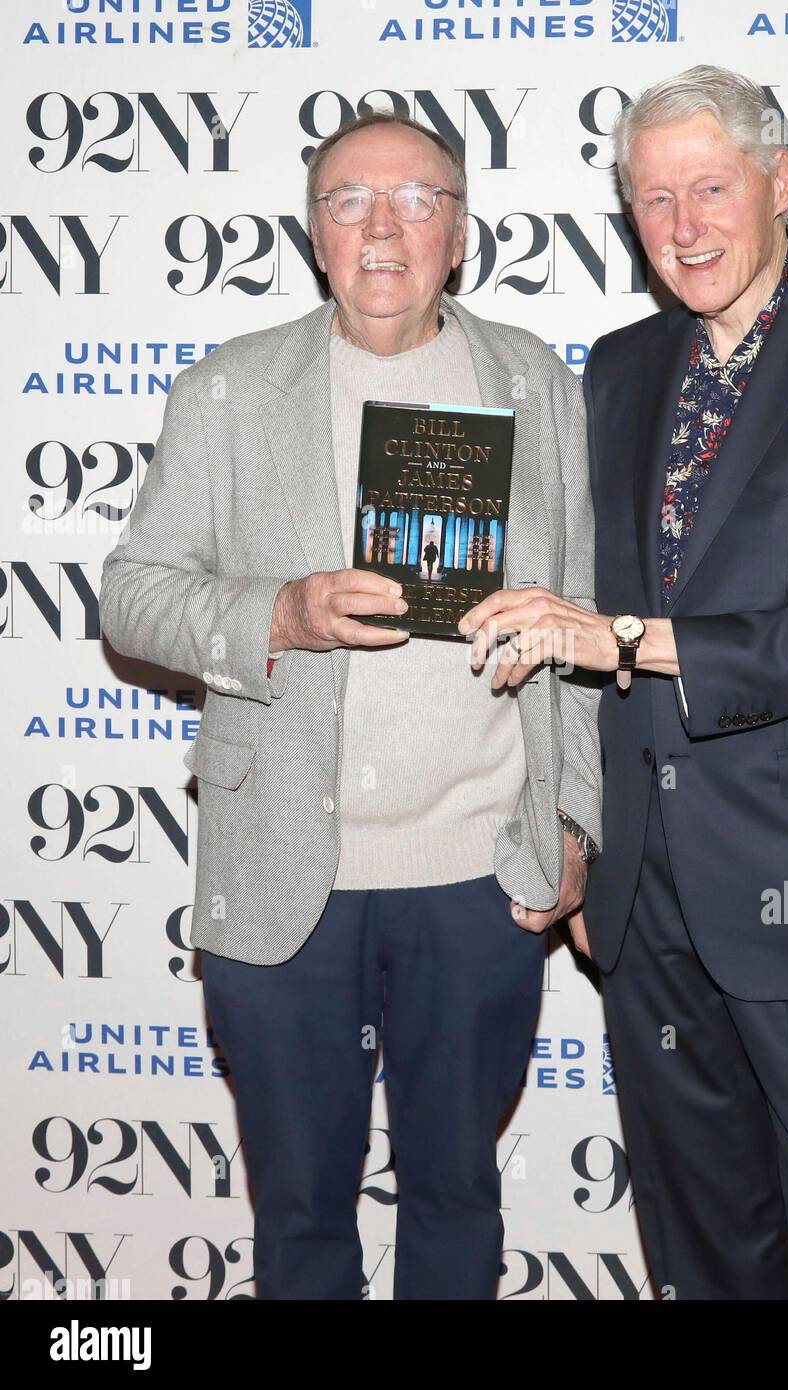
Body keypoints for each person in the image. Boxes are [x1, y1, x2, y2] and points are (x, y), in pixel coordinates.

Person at [459, 65, 788, 1300]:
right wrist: (584, 839)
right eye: (651, 199)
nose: (683, 226)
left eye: (709, 188)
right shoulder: (620, 369)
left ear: (778, 185)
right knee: (696, 1232)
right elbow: (563, 613)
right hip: (642, 893)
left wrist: (627, 638)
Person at [98, 111, 602, 1301]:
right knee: (302, 1216)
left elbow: (582, 620)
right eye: (349, 202)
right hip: (283, 877)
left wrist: (574, 828)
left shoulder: (533, 378)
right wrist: (279, 613)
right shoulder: (227, 389)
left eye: (417, 200)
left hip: (482, 876)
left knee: (454, 1202)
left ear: (461, 232)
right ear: (312, 231)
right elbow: (132, 598)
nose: (382, 228)